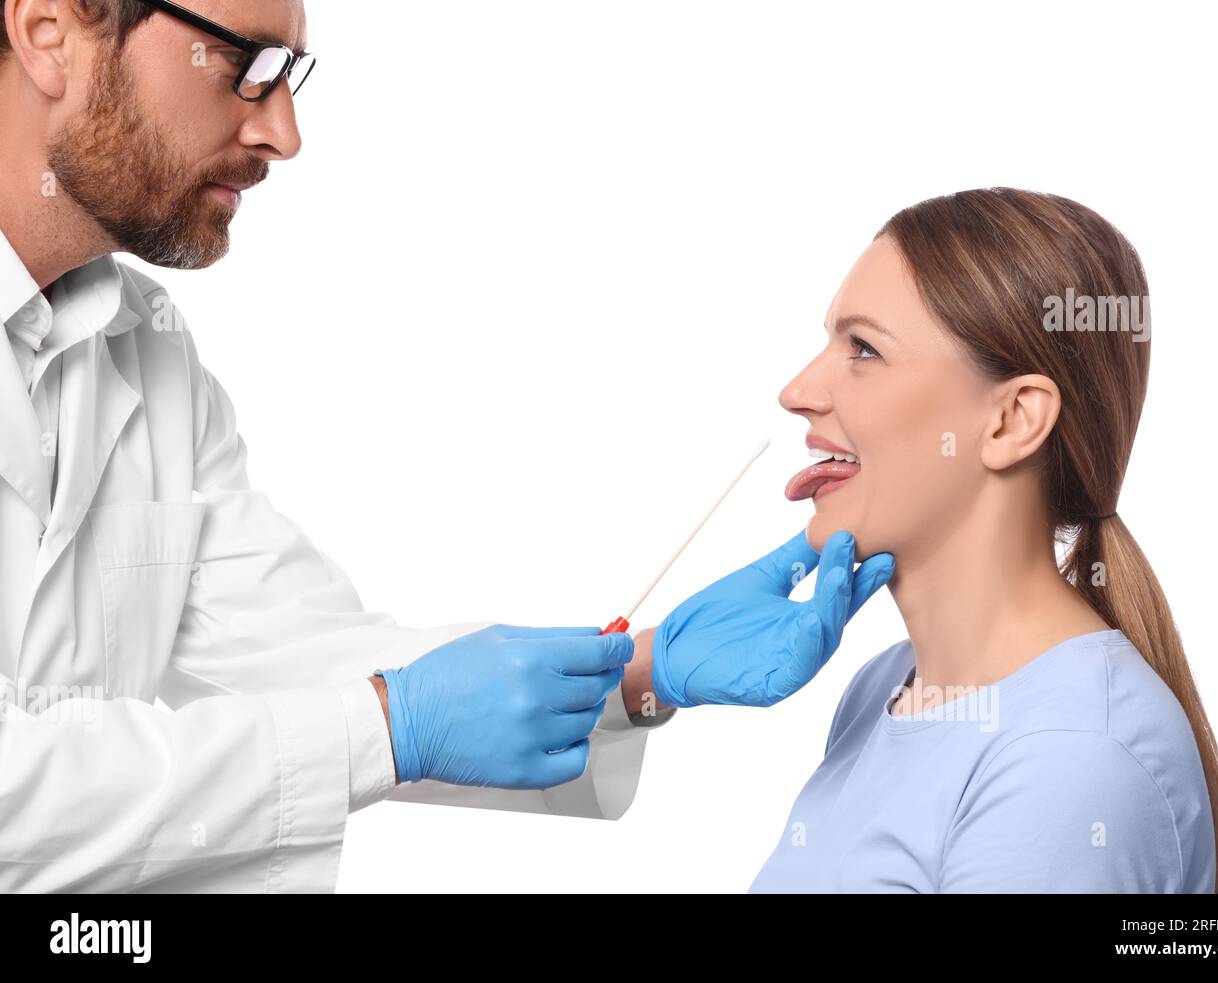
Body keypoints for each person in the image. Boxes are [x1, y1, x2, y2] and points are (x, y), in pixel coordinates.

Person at [0, 0, 893, 892]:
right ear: (48, 32)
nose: (284, 133)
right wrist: (389, 729)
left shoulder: (142, 347)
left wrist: (636, 672)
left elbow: (295, 655)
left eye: (289, 77)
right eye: (250, 65)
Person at [681, 187, 1218, 893]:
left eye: (864, 349)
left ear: (1010, 421)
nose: (797, 391)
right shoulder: (883, 685)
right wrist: (639, 679)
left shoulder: (1071, 754)